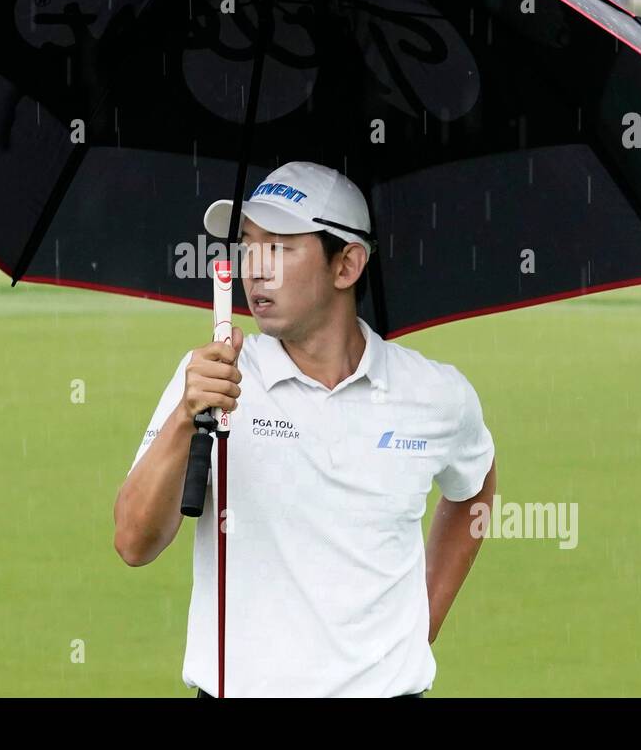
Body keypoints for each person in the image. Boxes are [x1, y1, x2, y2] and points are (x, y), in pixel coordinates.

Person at [114, 160, 497, 697]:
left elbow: (475, 485)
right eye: (248, 244)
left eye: (280, 246)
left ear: (347, 265)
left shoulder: (436, 394)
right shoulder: (210, 378)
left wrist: (420, 625)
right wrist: (185, 416)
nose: (256, 268)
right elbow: (134, 542)